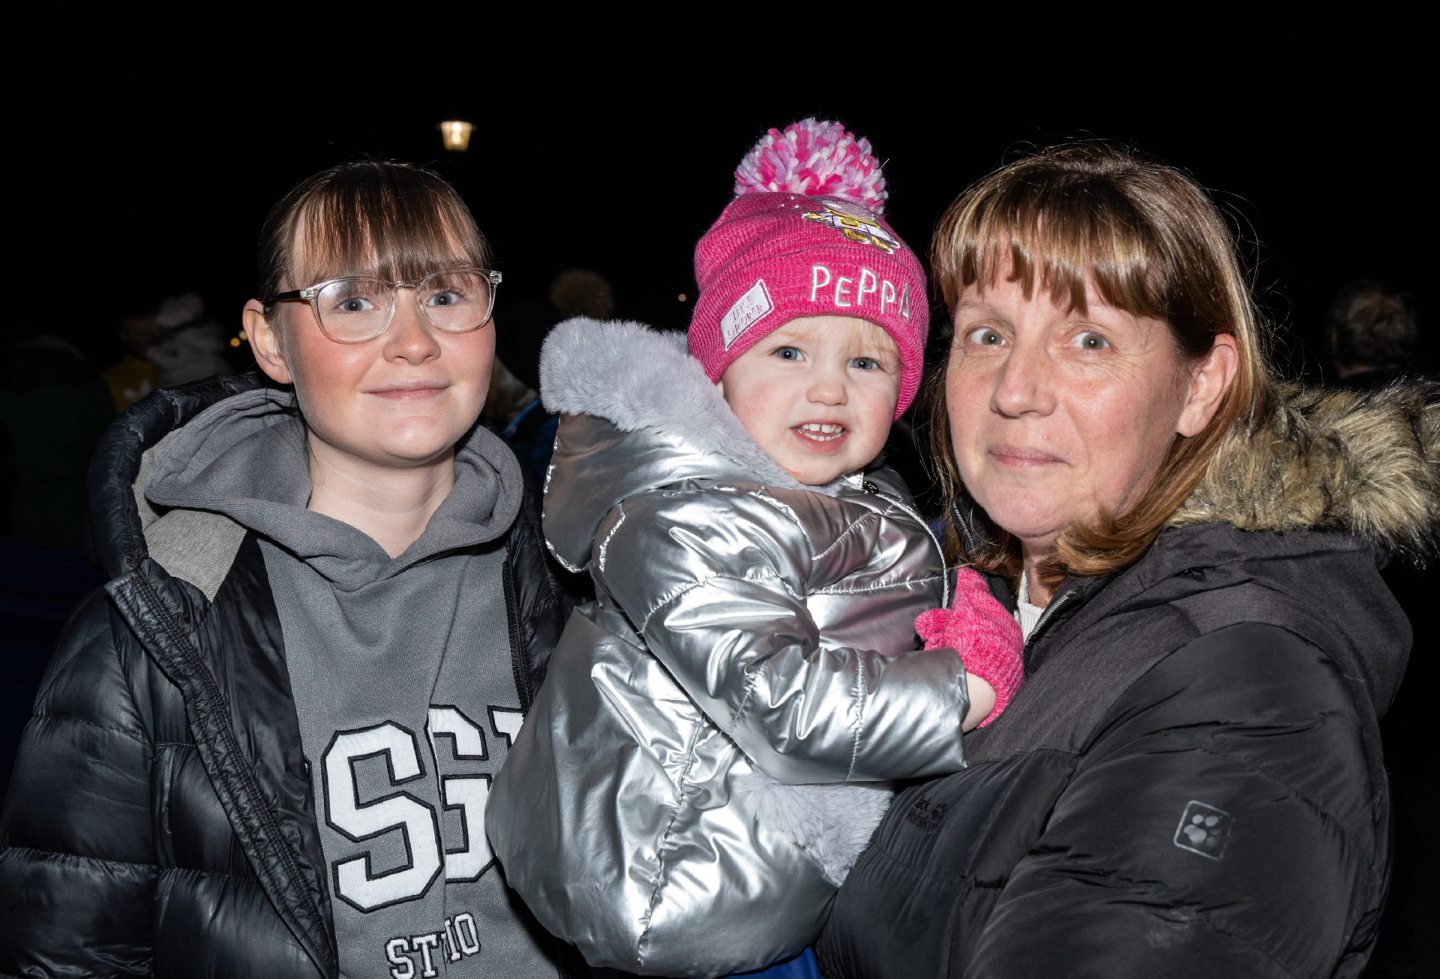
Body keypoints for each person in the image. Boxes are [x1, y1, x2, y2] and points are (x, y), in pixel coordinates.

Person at [815, 141, 1439, 977]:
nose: (1015, 389)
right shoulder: (956, 586)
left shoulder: (1248, 695)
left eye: (1089, 340)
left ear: (1201, 386)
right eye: (988, 333)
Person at [0, 160, 580, 978]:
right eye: (353, 301)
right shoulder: (153, 628)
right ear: (270, 339)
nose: (414, 341)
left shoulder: (580, 584)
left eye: (446, 294)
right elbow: (66, 952)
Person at [486, 120, 1023, 978]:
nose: (828, 387)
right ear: (720, 369)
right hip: (680, 881)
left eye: (867, 362)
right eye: (789, 350)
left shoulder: (841, 491)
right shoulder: (685, 516)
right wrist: (965, 686)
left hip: (764, 887)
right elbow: (780, 702)